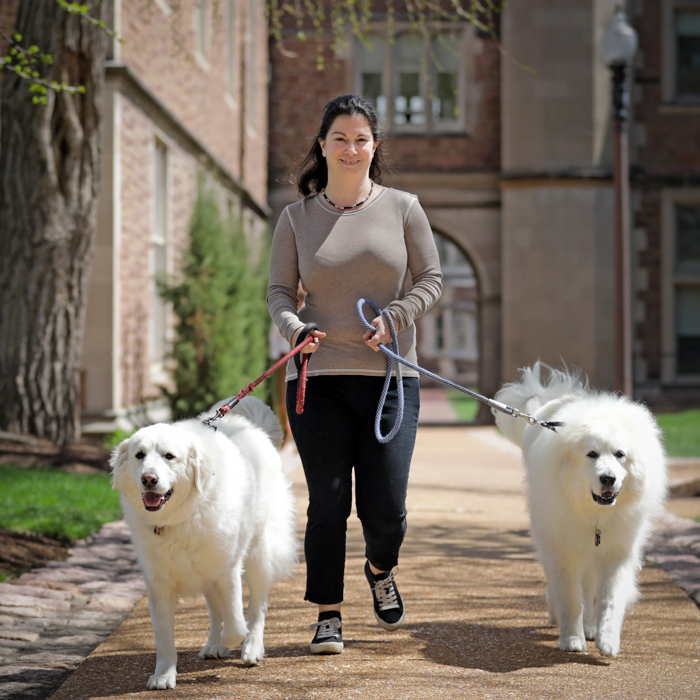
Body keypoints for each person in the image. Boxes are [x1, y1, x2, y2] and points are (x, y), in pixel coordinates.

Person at [267, 94, 442, 655]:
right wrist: (295, 330)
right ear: (322, 145)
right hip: (318, 379)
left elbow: (432, 278)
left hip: (392, 379)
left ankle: (379, 565)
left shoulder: (404, 208)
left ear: (375, 146)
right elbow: (277, 293)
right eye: (339, 138)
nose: (350, 148)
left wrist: (398, 316)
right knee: (328, 501)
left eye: (361, 138)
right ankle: (328, 614)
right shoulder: (296, 218)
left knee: (386, 509)